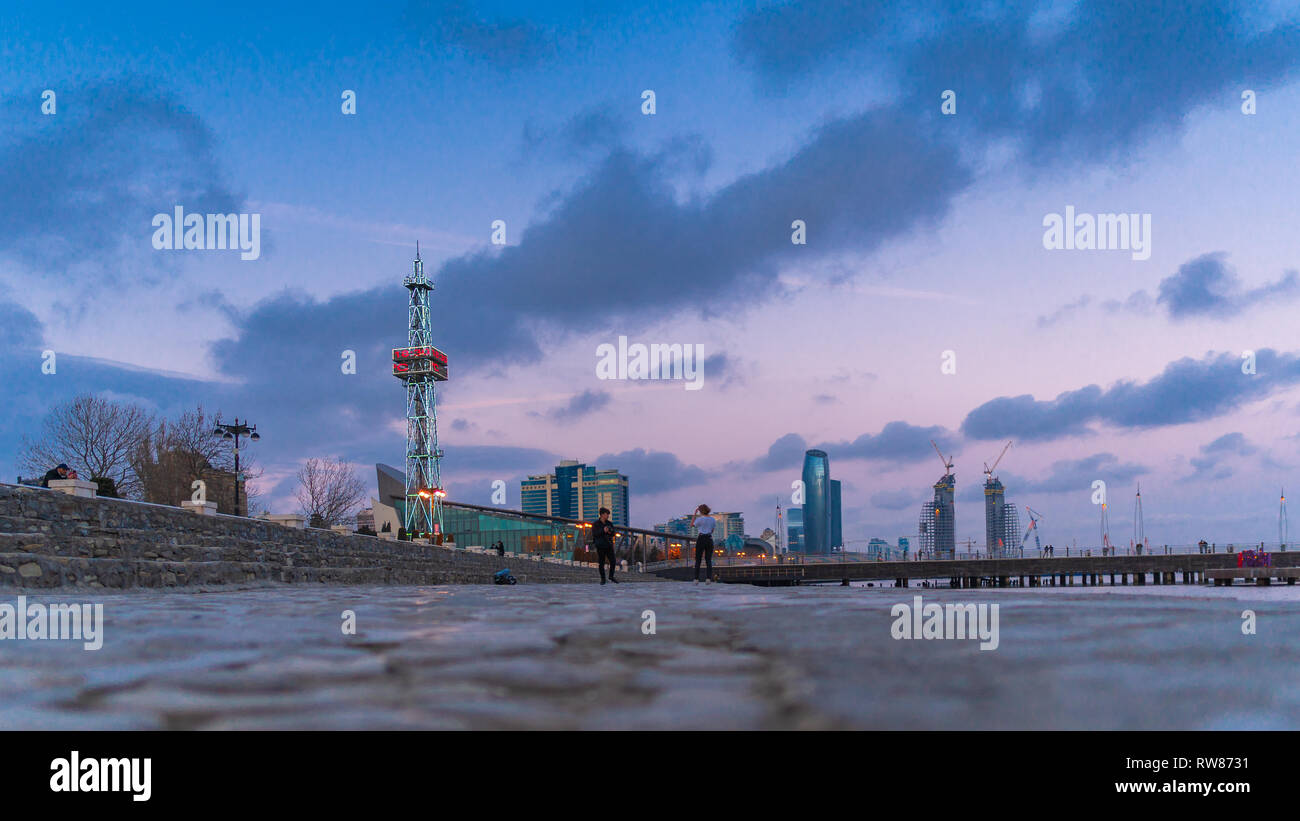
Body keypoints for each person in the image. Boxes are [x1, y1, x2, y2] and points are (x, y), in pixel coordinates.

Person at [591, 507, 618, 584]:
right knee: (601, 562)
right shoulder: (596, 524)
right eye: (607, 514)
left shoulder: (609, 523)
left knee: (613, 561)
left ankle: (611, 576)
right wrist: (603, 530)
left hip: (608, 545)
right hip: (600, 545)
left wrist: (610, 532)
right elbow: (595, 534)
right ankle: (603, 579)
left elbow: (613, 533)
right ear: (602, 514)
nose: (608, 516)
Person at [692, 504, 716, 583]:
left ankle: (696, 579)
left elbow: (692, 525)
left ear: (700, 511)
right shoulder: (712, 519)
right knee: (708, 560)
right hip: (709, 539)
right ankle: (708, 578)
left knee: (698, 559)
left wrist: (694, 514)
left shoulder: (699, 519)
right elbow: (712, 530)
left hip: (701, 538)